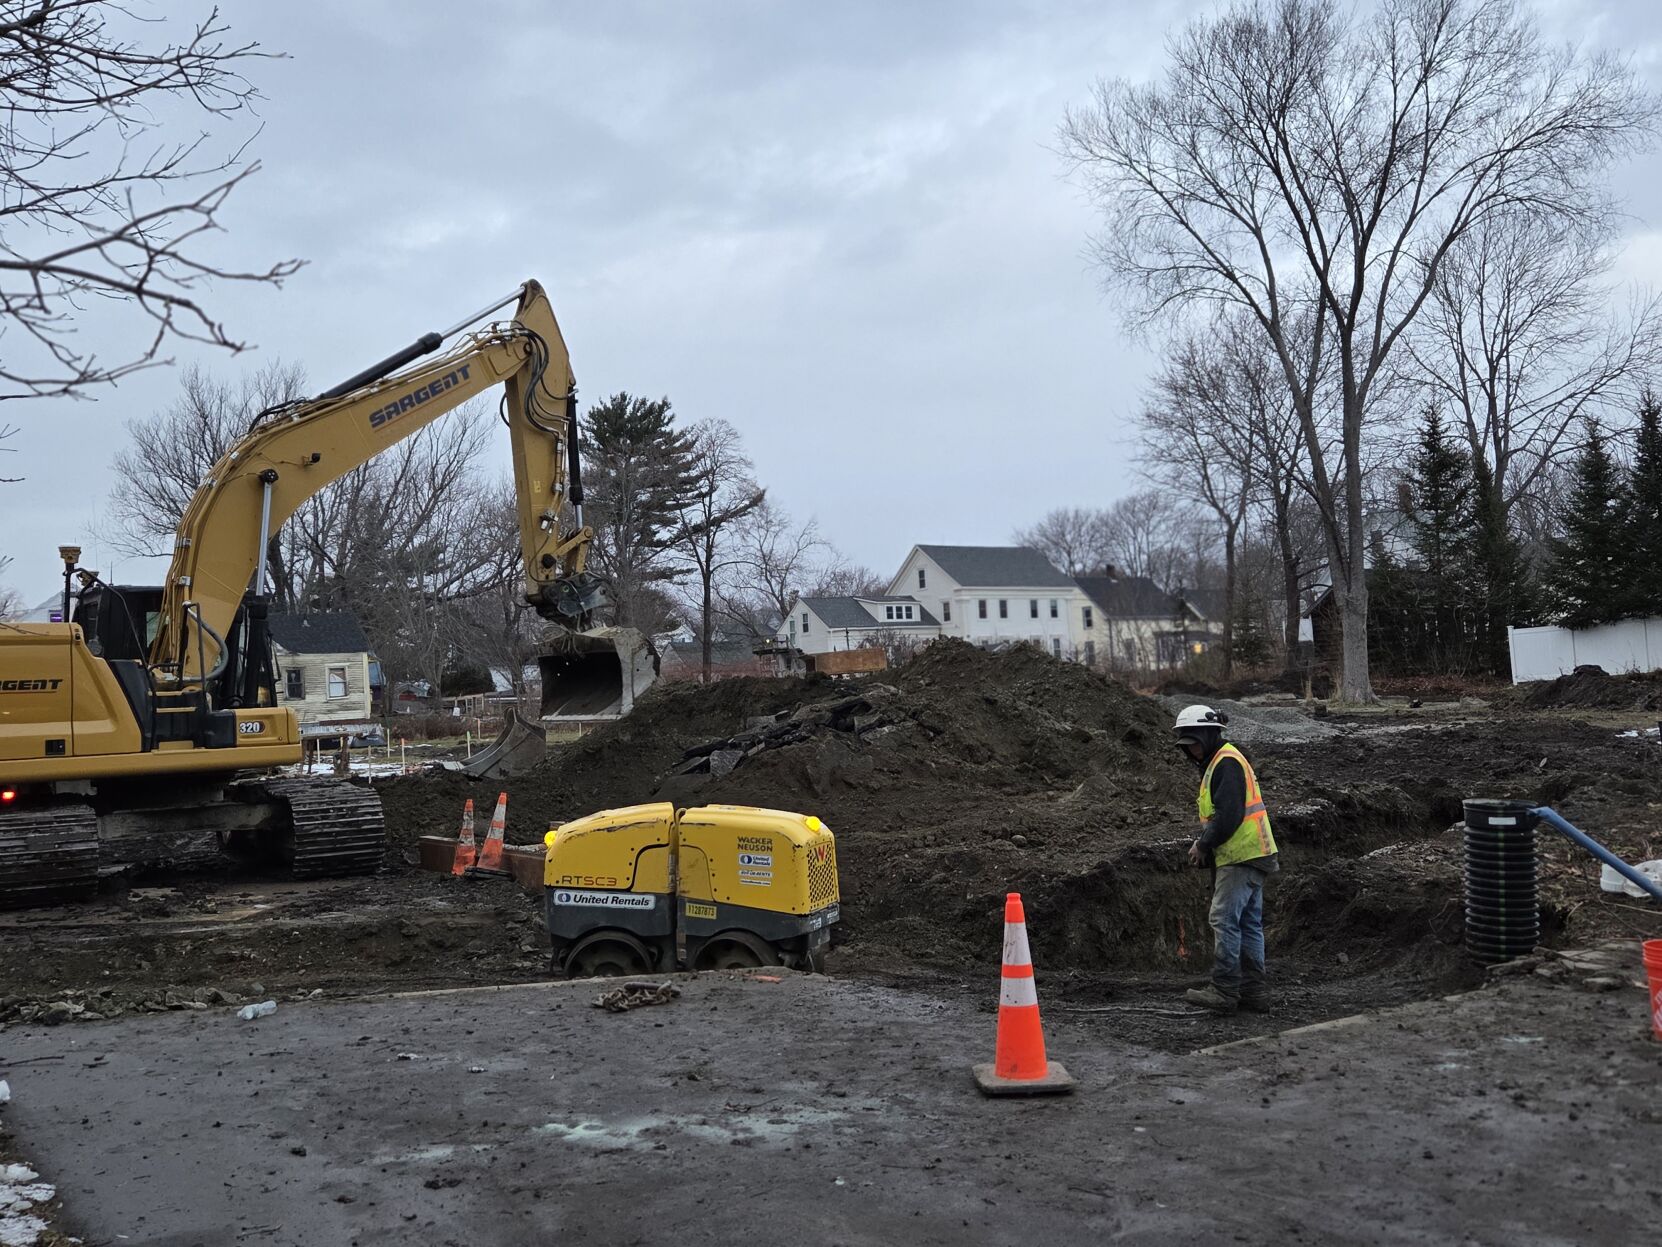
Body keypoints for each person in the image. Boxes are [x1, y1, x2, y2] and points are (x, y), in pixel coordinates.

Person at [1173, 704, 1278, 1014]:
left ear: (1207, 735)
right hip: (1252, 853)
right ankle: (1253, 993)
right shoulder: (1223, 761)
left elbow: (1229, 815)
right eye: (1186, 746)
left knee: (1224, 919)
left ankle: (1224, 990)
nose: (1190, 751)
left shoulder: (1226, 763)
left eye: (1192, 743)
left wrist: (1203, 845)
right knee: (1247, 924)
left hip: (1241, 855)